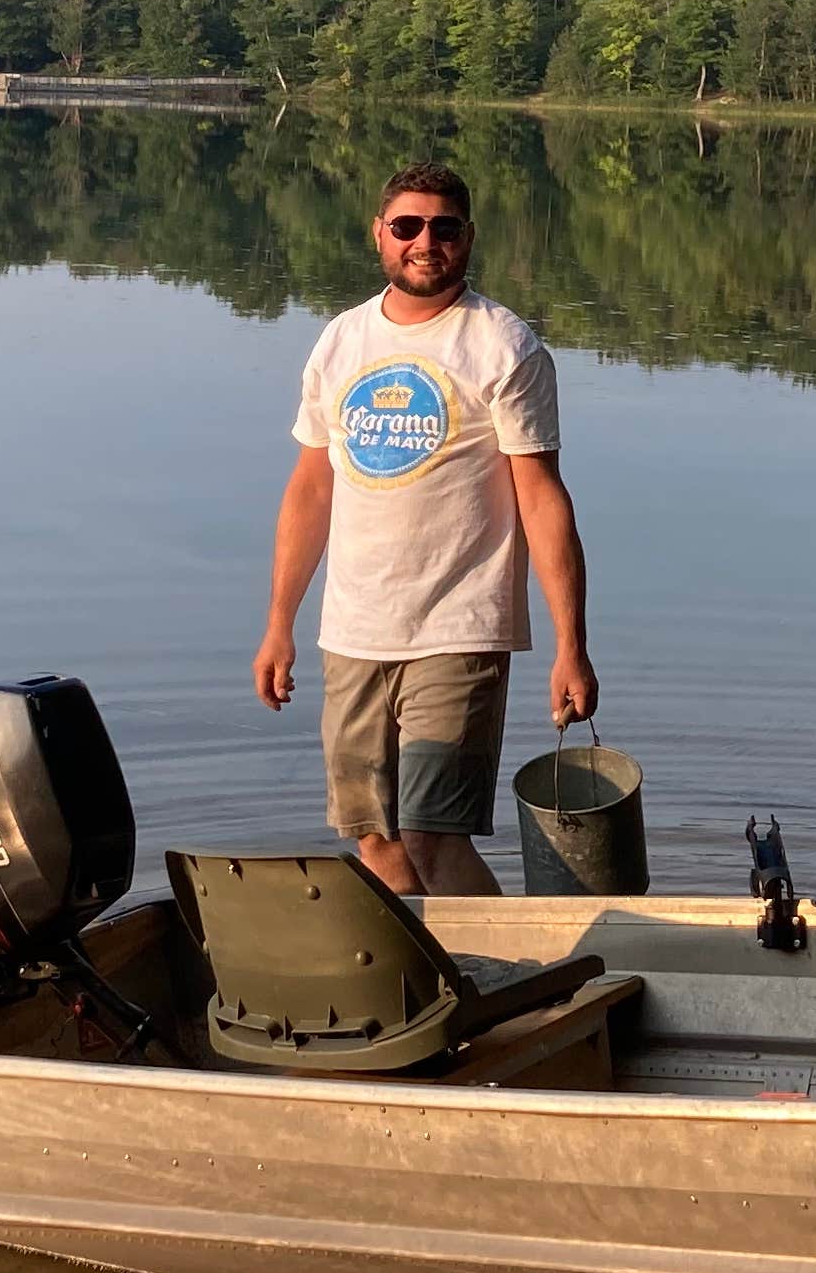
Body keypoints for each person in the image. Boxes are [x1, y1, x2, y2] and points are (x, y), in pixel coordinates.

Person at [252, 160, 597, 896]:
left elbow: (542, 498)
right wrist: (279, 623)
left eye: (444, 228)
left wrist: (572, 647)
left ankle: (511, 988)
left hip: (459, 628)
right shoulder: (341, 341)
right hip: (351, 631)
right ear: (380, 235)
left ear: (467, 239)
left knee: (433, 835)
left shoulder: (504, 346)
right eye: (407, 226)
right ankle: (436, 993)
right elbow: (311, 488)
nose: (424, 242)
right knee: (375, 840)